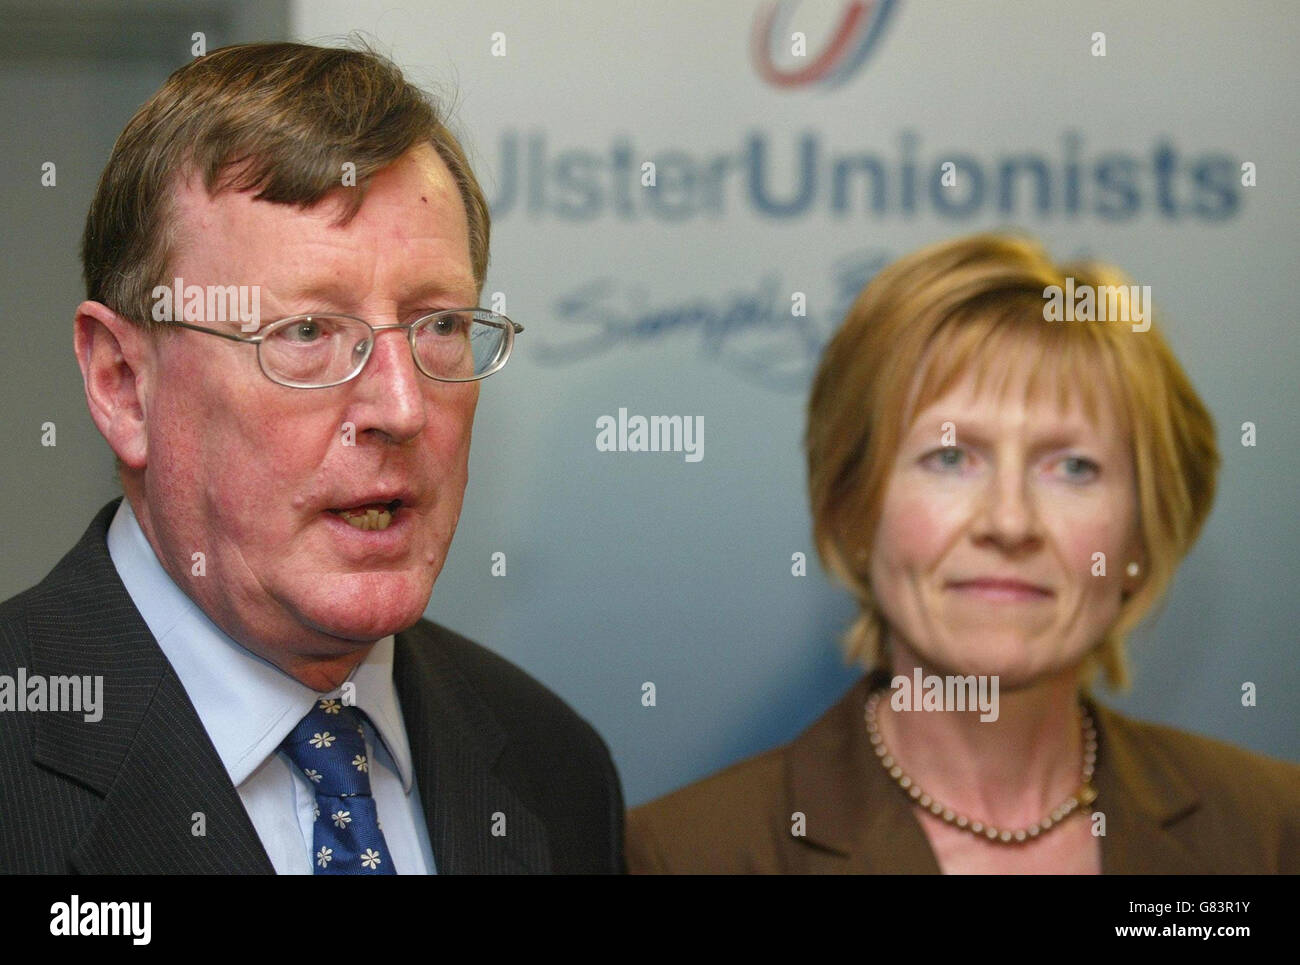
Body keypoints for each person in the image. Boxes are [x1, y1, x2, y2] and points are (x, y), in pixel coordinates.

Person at [0, 41, 623, 874]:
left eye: (438, 324)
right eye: (307, 333)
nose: (401, 408)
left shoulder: (556, 766)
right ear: (122, 385)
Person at [626, 232, 1300, 874]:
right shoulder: (690, 855)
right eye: (951, 457)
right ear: (853, 507)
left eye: (1072, 467)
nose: (1010, 521)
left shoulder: (1272, 832)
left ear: (1141, 537)